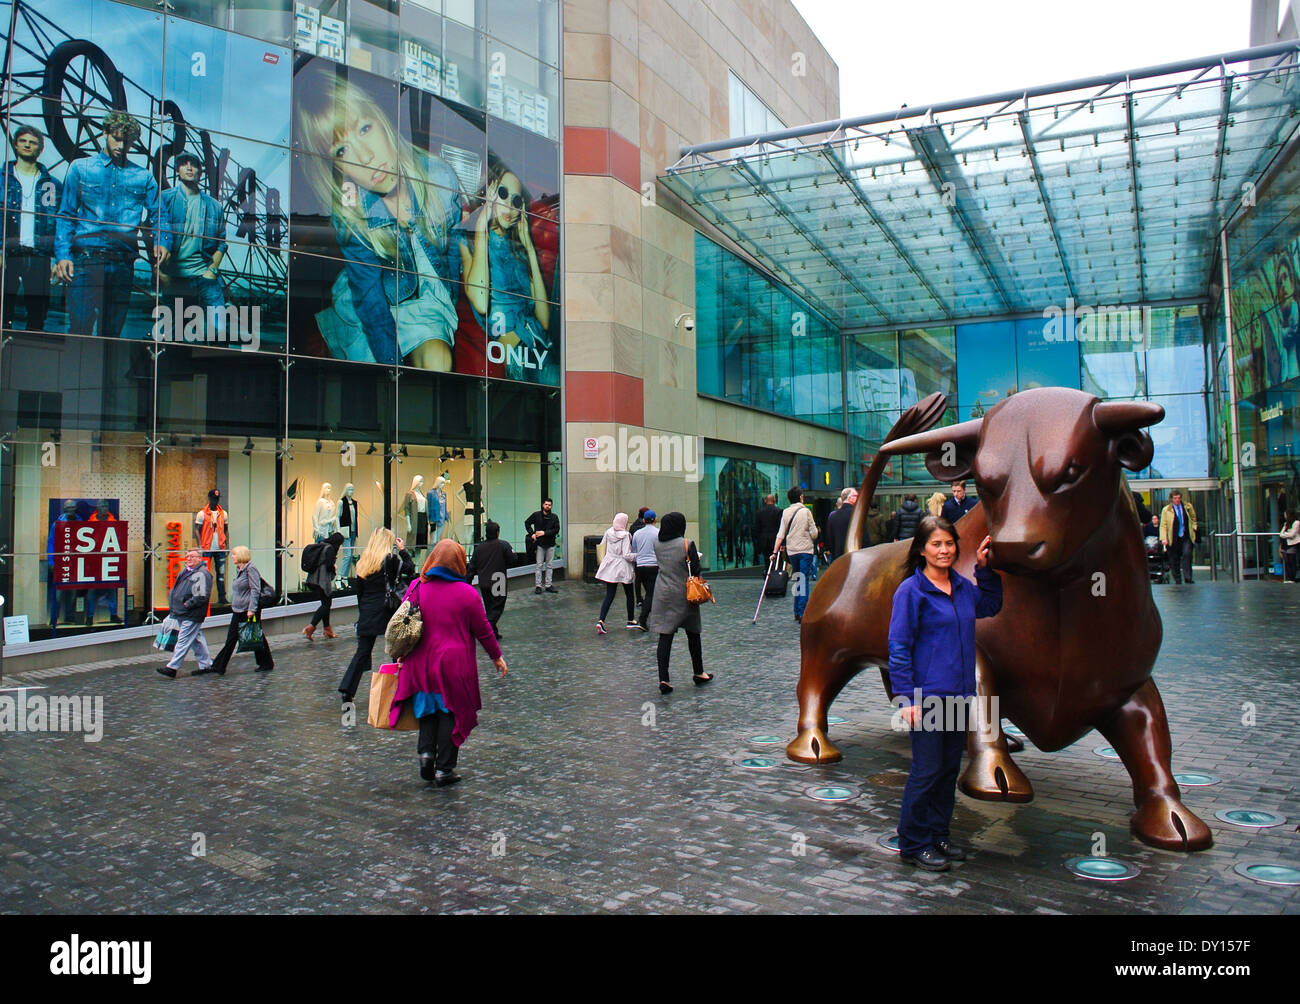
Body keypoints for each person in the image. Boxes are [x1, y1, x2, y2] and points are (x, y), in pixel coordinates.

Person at [296, 79, 464, 369]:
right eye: (342, 151)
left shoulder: (440, 179)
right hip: (376, 297)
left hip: (427, 293)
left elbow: (454, 249)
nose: (366, 158)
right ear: (335, 166)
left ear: (383, 119)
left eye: (364, 129)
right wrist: (392, 368)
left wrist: (450, 300)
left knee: (439, 360)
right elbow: (371, 302)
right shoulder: (351, 215)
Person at [888, 516, 1002, 871]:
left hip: (959, 696)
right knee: (926, 771)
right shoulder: (911, 591)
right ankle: (913, 843)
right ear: (922, 549)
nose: (944, 550)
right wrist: (906, 698)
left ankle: (938, 836)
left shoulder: (962, 586)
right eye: (936, 544)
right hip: (927, 700)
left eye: (949, 543)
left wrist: (984, 570)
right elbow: (899, 647)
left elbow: (989, 606)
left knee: (948, 770)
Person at [391, 541, 508, 785]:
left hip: (420, 663)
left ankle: (425, 755)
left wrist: (399, 653)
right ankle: (444, 768)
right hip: (453, 665)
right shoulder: (467, 593)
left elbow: (404, 622)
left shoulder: (416, 587)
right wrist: (496, 656)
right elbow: (483, 630)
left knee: (427, 710)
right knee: (449, 712)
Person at [54, 111, 169, 338]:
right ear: (104, 133)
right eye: (116, 138)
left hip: (122, 263)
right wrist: (62, 255)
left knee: (112, 333)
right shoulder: (80, 168)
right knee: (80, 329)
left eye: (127, 141)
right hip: (86, 260)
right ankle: (79, 373)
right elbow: (66, 215)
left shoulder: (143, 176)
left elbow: (160, 215)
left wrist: (162, 241)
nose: (121, 145)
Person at [460, 155, 552, 381]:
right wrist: (482, 224)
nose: (510, 207)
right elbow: (481, 302)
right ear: (488, 193)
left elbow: (545, 321)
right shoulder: (468, 240)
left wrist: (530, 249)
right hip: (514, 358)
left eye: (517, 201)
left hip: (538, 351)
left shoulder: (519, 250)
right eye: (502, 195)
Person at [338, 528, 413, 705]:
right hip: (387, 609)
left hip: (368, 610)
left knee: (362, 652)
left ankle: (347, 689)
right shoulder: (391, 560)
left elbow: (360, 593)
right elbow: (409, 569)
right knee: (397, 649)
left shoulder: (363, 562)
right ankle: (401, 687)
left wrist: (362, 611)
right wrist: (403, 550)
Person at [159, 152, 229, 339]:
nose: (189, 167)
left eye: (194, 165)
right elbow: (153, 238)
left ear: (200, 172)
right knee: (170, 335)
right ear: (178, 169)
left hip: (205, 277)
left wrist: (211, 270)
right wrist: (160, 273)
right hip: (175, 276)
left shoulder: (214, 206)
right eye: (184, 164)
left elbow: (221, 243)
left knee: (219, 333)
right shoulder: (165, 199)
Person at [2, 125, 61, 332]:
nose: (27, 145)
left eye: (33, 142)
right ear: (16, 145)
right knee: (3, 310)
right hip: (8, 254)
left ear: (40, 149)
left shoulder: (51, 185)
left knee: (37, 314)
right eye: (23, 141)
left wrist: (57, 257)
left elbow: (58, 223)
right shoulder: (2, 180)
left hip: (39, 255)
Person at [648, 512, 711, 693]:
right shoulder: (687, 544)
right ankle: (699, 672)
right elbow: (696, 569)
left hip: (662, 593)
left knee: (665, 635)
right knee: (693, 633)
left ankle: (664, 679)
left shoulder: (657, 544)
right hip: (684, 594)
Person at [208, 545, 274, 675]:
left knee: (253, 635)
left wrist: (252, 609)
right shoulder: (239, 569)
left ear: (241, 556)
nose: (232, 557)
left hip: (247, 610)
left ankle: (265, 663)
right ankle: (220, 665)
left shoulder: (251, 569)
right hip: (238, 609)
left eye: (234, 554)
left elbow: (255, 590)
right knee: (240, 636)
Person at [157, 550, 215, 678]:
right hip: (182, 612)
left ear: (199, 559)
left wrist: (187, 604)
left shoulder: (202, 573)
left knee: (183, 640)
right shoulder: (187, 571)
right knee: (196, 640)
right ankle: (207, 665)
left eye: (192, 556)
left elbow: (201, 596)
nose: (188, 558)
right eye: (187, 556)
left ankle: (172, 667)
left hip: (191, 613)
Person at [773, 487, 819, 623]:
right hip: (805, 549)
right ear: (800, 497)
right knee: (803, 579)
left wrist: (775, 552)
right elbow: (814, 532)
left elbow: (781, 534)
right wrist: (815, 532)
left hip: (792, 551)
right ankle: (802, 611)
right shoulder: (806, 512)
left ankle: (796, 610)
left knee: (798, 578)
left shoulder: (786, 512)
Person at [467, 521, 515, 639]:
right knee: (497, 608)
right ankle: (485, 627)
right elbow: (512, 559)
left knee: (490, 607)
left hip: (484, 582)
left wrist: (467, 582)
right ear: (498, 532)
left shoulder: (479, 548)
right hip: (498, 581)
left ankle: (493, 632)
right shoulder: (503, 545)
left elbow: (472, 567)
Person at [594, 512, 637, 634]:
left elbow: (602, 545)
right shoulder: (626, 535)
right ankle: (630, 619)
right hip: (622, 566)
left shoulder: (608, 532)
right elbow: (626, 555)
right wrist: (638, 556)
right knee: (629, 593)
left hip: (609, 565)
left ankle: (601, 620)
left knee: (610, 594)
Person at [302, 531, 345, 639]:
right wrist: (334, 567)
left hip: (314, 578)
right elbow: (329, 565)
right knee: (326, 604)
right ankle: (311, 626)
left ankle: (327, 629)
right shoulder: (330, 549)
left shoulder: (322, 545)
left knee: (325, 603)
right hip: (322, 580)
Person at [195, 489, 229, 604]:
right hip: (206, 548)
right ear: (209, 498)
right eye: (214, 499)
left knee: (221, 574)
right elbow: (196, 530)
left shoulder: (223, 513)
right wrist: (199, 545)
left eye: (217, 499)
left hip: (220, 548)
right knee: (204, 574)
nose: (216, 501)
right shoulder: (202, 514)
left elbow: (226, 529)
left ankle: (222, 598)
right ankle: (204, 599)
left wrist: (226, 544)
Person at [1159, 490, 1198, 584]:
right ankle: (1177, 578)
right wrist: (1164, 538)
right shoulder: (1166, 510)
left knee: (1187, 554)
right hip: (1173, 537)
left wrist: (1194, 527)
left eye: (1179, 498)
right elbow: (1163, 525)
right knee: (1174, 558)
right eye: (1175, 498)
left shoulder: (1187, 507)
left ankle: (1188, 577)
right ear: (1171, 499)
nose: (1177, 500)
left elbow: (1193, 518)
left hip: (1185, 535)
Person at [525, 498, 560, 593]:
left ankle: (548, 585)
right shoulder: (536, 515)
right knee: (539, 565)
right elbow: (527, 522)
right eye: (546, 504)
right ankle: (538, 586)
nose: (547, 506)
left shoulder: (554, 517)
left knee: (549, 565)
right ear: (542, 505)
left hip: (551, 544)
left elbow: (557, 529)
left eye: (549, 505)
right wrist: (532, 533)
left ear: (551, 506)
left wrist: (544, 533)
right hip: (540, 544)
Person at [632, 510, 659, 632]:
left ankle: (652, 615)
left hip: (640, 565)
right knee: (650, 593)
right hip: (653, 565)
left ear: (643, 520)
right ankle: (642, 620)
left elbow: (634, 550)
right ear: (655, 519)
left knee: (649, 592)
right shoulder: (658, 533)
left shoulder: (637, 533)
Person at [826, 488, 858, 561]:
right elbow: (864, 537)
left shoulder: (833, 516)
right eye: (856, 496)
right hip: (855, 556)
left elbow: (830, 538)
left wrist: (833, 553)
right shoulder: (856, 515)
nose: (858, 498)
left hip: (838, 556)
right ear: (849, 498)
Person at [754, 494, 782, 568]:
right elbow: (781, 527)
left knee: (766, 559)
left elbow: (757, 528)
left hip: (764, 540)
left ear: (765, 501)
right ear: (774, 500)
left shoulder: (759, 512)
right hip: (775, 539)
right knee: (777, 559)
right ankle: (774, 574)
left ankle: (767, 573)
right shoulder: (779, 511)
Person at [1279, 510, 1300, 583]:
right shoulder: (1286, 524)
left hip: (1292, 543)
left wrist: (1285, 534)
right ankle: (1289, 578)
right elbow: (1281, 534)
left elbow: (1292, 535)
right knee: (1287, 561)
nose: (1285, 516)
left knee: (1292, 560)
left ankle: (1292, 578)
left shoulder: (1296, 523)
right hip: (1285, 544)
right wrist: (1286, 534)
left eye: (1285, 515)